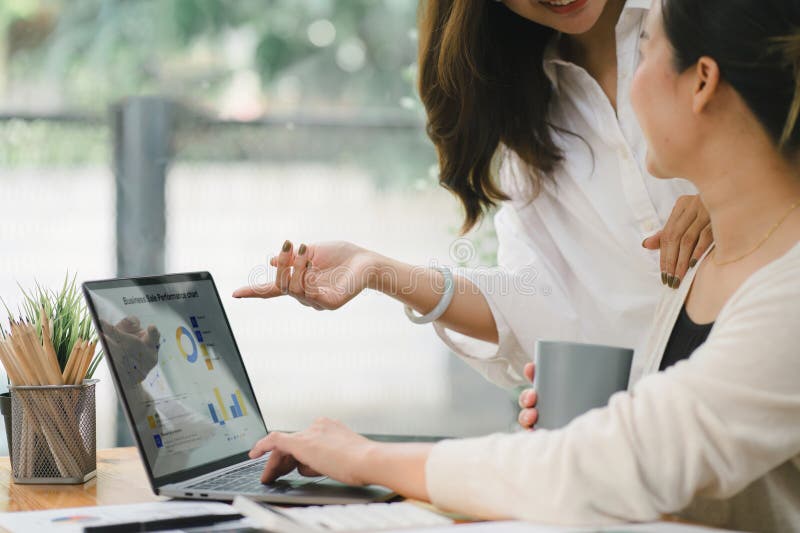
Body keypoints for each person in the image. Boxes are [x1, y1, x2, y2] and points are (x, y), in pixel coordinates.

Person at [244, 1, 800, 530]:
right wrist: (381, 271)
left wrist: (365, 459)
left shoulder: (781, 288)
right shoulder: (530, 107)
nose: (630, 87)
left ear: (703, 81)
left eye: (646, 50)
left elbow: (614, 460)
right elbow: (548, 309)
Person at [233, 0, 711, 402]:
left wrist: (742, 195)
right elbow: (535, 303)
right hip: (636, 440)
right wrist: (376, 269)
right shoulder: (526, 109)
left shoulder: (720, 25)